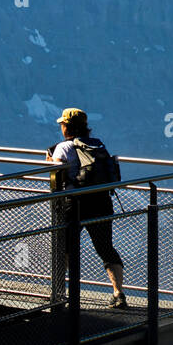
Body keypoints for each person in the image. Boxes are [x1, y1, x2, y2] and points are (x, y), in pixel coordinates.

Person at [46, 108, 128, 308]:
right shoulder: (97, 144)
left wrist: (48, 162)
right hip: (101, 201)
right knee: (104, 246)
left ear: (67, 127)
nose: (61, 128)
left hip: (75, 203)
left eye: (62, 125)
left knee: (63, 247)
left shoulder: (63, 148)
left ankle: (59, 294)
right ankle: (119, 293)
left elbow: (56, 173)